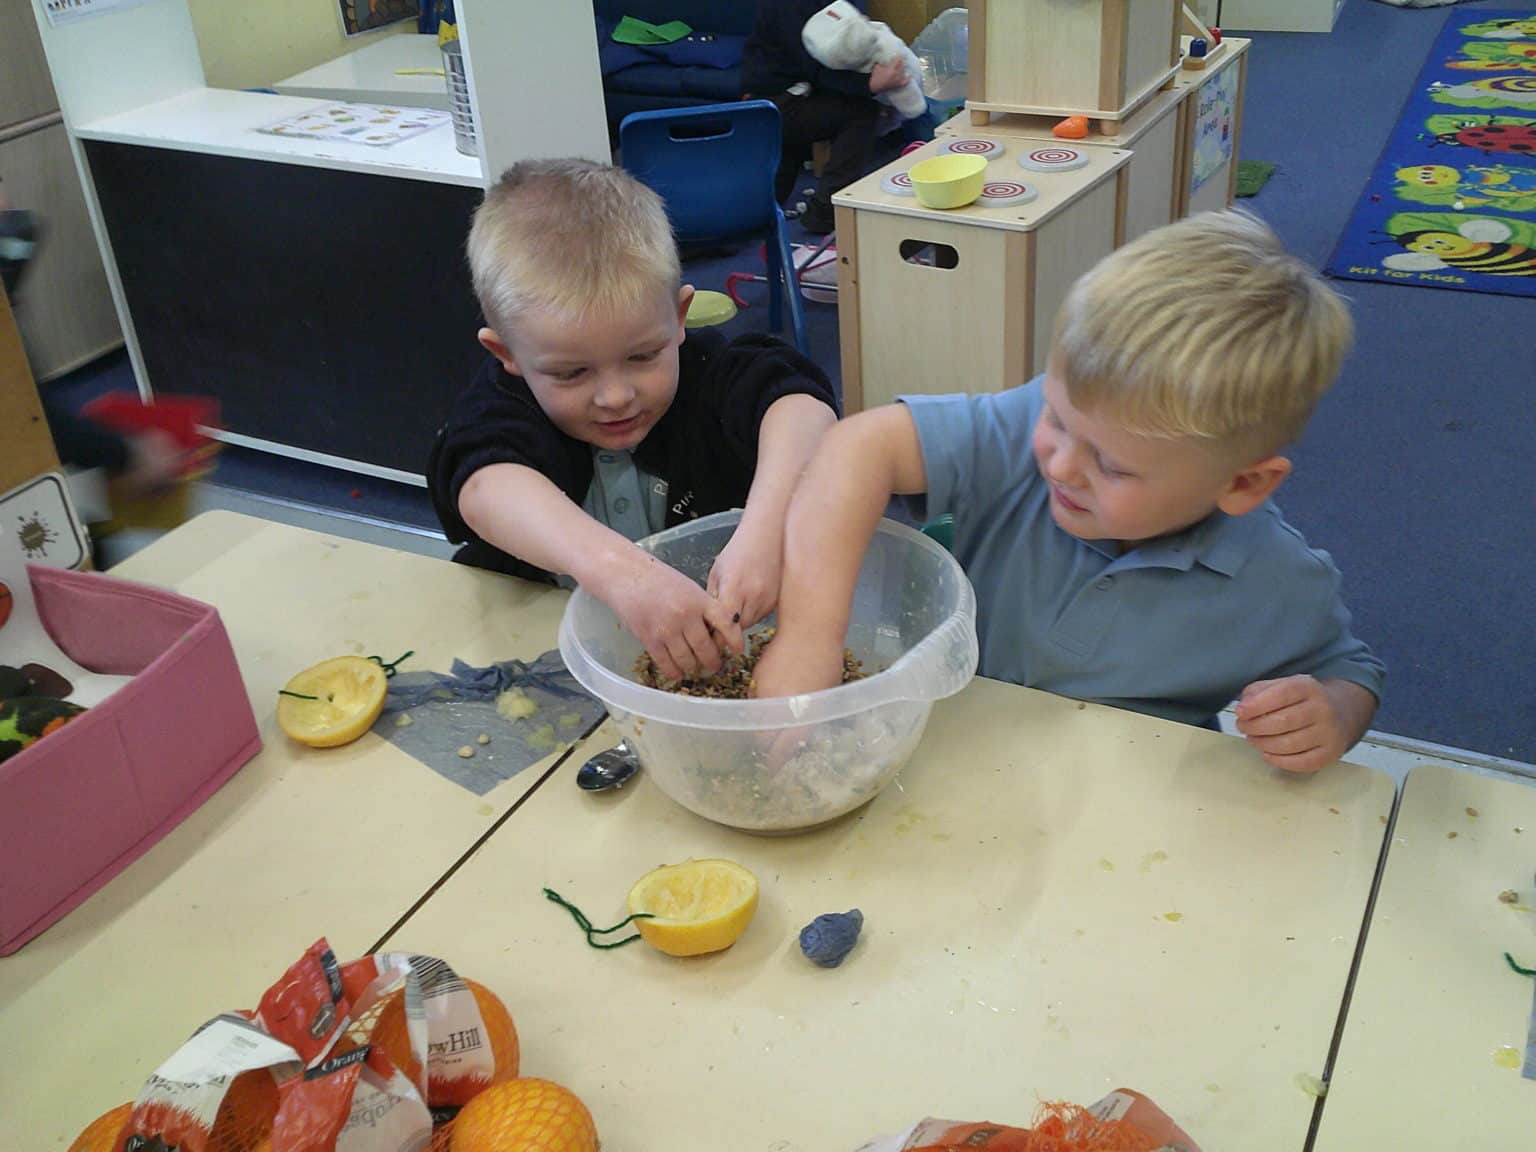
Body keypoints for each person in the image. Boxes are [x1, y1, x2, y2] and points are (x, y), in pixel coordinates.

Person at [753, 211, 1384, 774]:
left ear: (1244, 483)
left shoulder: (1277, 581)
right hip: (955, 763)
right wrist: (809, 637)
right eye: (1056, 417)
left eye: (1111, 466)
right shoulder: (1030, 434)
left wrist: (1331, 713)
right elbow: (859, 447)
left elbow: (1351, 671)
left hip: (1122, 815)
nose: (1060, 465)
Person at [428, 159, 839, 683]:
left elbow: (801, 406)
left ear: (680, 317)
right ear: (506, 353)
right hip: (546, 662)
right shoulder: (506, 407)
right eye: (572, 373)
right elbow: (482, 482)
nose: (616, 396)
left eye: (644, 356)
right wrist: (620, 573)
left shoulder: (709, 378)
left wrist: (767, 529)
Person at [743, 0, 910, 234]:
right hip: (773, 103)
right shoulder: (789, 8)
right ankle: (827, 211)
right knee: (862, 113)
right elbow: (815, 66)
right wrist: (869, 85)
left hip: (792, 93)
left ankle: (753, 216)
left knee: (769, 193)